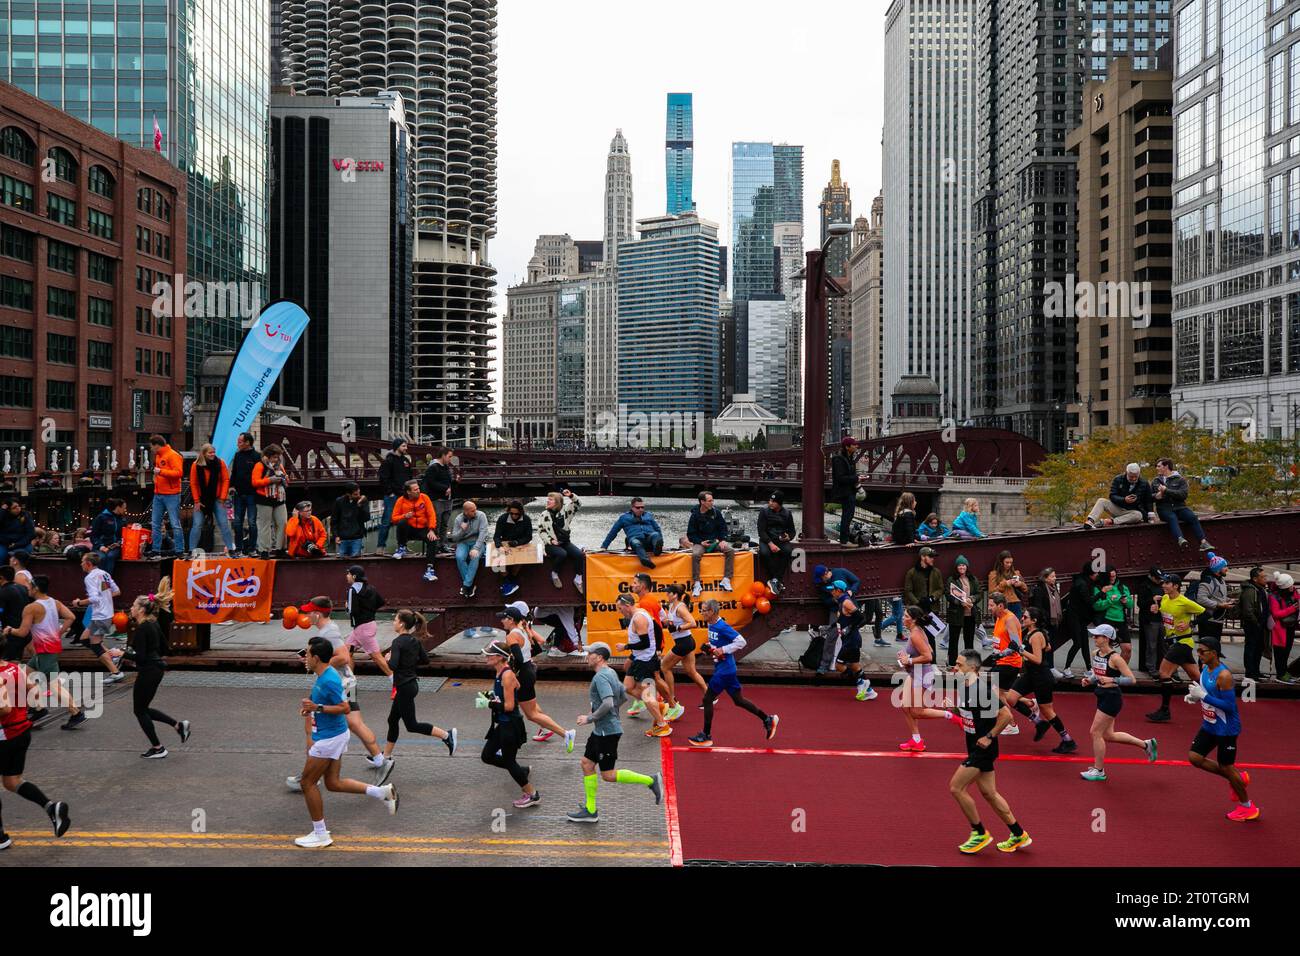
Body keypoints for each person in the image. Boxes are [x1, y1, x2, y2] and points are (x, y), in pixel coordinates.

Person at [293, 636, 399, 848]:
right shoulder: (324, 675)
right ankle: (382, 792)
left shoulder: (329, 679)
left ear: (316, 658)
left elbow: (345, 708)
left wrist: (317, 708)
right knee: (333, 783)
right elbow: (325, 700)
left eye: (307, 654)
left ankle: (321, 834)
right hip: (334, 735)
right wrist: (311, 706)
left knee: (307, 783)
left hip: (329, 739)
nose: (305, 658)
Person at [286, 598, 390, 790]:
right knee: (355, 724)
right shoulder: (328, 630)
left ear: (317, 614)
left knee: (311, 724)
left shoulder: (329, 632)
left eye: (309, 612)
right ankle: (380, 760)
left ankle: (310, 776)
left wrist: (319, 664)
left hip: (338, 685)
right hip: (346, 682)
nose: (307, 616)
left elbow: (343, 657)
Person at [566, 642, 663, 823]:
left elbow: (609, 702)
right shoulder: (610, 672)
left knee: (608, 775)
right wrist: (606, 714)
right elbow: (623, 696)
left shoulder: (600, 677)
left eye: (590, 653)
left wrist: (590, 718)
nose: (587, 656)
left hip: (607, 733)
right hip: (601, 731)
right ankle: (590, 810)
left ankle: (651, 781)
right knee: (586, 763)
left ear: (599, 657)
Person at [947, 653, 1031, 854]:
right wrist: (954, 710)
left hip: (982, 749)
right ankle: (1019, 834)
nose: (955, 668)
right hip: (975, 747)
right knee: (990, 794)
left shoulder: (980, 690)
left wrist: (989, 736)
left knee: (956, 788)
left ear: (972, 668)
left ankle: (979, 833)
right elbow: (970, 713)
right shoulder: (964, 686)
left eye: (959, 665)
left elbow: (1006, 715)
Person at [0, 654, 71, 847]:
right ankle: (51, 808)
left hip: (5, 735)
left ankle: (1, 837)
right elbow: (34, 693)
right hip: (21, 731)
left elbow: (4, 709)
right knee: (11, 781)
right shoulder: (14, 668)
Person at [1185, 637, 1257, 821]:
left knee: (1226, 766)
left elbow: (1229, 706)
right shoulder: (1205, 669)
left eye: (1202, 651)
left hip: (1226, 729)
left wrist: (1203, 696)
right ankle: (1236, 778)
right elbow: (1208, 694)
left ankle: (1247, 807)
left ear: (1214, 653)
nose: (1199, 655)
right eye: (1198, 651)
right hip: (1209, 725)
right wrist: (1195, 697)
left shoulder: (1224, 676)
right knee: (1195, 757)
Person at [688, 599, 777, 747]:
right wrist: (710, 648)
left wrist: (723, 650)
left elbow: (741, 642)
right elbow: (718, 644)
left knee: (707, 699)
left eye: (703, 610)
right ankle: (767, 719)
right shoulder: (711, 624)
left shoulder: (722, 626)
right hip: (725, 668)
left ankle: (706, 735)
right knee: (738, 700)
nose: (701, 612)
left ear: (712, 612)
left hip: (725, 671)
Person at [1080, 624, 1157, 781]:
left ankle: (1099, 770)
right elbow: (1097, 673)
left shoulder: (1115, 658)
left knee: (1095, 732)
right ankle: (1146, 744)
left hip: (1112, 697)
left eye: (1097, 636)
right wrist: (1090, 679)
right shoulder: (1095, 653)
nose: (1094, 638)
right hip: (1101, 694)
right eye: (1094, 635)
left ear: (1106, 638)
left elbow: (1131, 680)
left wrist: (1112, 679)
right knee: (1108, 735)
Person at [500, 602, 575, 750]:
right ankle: (545, 728)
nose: (502, 620)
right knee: (530, 707)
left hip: (522, 673)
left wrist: (509, 672)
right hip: (528, 670)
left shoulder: (513, 634)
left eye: (504, 617)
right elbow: (537, 646)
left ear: (512, 619)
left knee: (530, 714)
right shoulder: (524, 629)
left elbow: (518, 659)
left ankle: (566, 734)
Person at [122, 594, 190, 758]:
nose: (131, 608)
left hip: (148, 671)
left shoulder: (142, 628)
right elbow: (165, 647)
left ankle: (158, 748)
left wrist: (122, 653)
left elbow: (141, 657)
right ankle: (178, 726)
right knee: (143, 709)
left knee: (139, 711)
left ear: (141, 610)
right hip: (156, 670)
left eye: (134, 605)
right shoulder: (153, 623)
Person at [383, 609, 456, 761]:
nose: (393, 622)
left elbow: (393, 666)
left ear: (401, 624)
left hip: (404, 687)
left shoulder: (397, 642)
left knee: (412, 725)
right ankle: (386, 756)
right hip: (410, 685)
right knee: (392, 720)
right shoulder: (414, 641)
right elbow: (425, 660)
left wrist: (387, 659)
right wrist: (408, 662)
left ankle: (446, 735)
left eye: (395, 620)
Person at [1005, 607, 1075, 752]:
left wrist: (1021, 651)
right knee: (1011, 698)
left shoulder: (1036, 635)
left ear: (1034, 621)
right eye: (1023, 616)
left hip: (1041, 676)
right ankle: (1038, 722)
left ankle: (1067, 740)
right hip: (1030, 674)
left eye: (1025, 617)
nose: (1022, 619)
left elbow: (1038, 659)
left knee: (1047, 710)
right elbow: (1048, 647)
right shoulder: (1031, 633)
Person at [479, 640, 538, 809]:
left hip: (511, 725)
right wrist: (490, 696)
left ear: (499, 657)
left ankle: (532, 794)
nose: (486, 657)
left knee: (509, 761)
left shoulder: (506, 675)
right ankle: (522, 771)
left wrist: (489, 703)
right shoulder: (501, 672)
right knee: (487, 756)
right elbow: (517, 686)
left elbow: (510, 706)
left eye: (489, 654)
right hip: (503, 724)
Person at [1146, 573, 1206, 722]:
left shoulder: (1184, 602)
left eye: (1167, 583)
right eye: (1163, 583)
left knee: (1163, 673)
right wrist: (1156, 608)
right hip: (1173, 642)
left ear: (1176, 586)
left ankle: (1165, 710)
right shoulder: (1165, 598)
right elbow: (1166, 614)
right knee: (1196, 677)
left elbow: (1206, 613)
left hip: (1182, 642)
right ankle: (1219, 700)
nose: (1163, 585)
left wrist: (1190, 624)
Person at [897, 605, 957, 752]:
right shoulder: (917, 631)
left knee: (917, 711)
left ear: (913, 620)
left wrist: (909, 660)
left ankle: (951, 715)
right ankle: (916, 740)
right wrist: (906, 656)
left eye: (906, 616)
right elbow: (928, 649)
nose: (903, 618)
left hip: (921, 675)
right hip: (915, 672)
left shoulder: (915, 634)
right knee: (905, 706)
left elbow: (929, 656)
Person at [613, 594, 672, 737]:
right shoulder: (639, 613)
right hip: (639, 658)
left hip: (645, 661)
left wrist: (626, 646)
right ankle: (659, 706)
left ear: (627, 605)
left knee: (647, 695)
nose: (620, 612)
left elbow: (645, 643)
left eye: (620, 608)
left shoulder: (639, 618)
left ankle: (662, 725)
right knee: (627, 687)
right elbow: (656, 628)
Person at [70, 552, 124, 685]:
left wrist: (79, 602)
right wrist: (104, 596)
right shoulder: (104, 574)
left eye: (82, 561)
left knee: (95, 645)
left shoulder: (90, 577)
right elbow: (116, 591)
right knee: (84, 639)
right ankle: (113, 655)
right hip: (106, 613)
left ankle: (115, 672)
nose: (81, 564)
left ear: (88, 563)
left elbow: (94, 598)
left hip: (100, 615)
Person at [659, 582, 708, 701]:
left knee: (665, 667)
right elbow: (672, 621)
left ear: (675, 595)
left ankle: (671, 699)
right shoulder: (672, 606)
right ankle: (709, 695)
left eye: (668, 593)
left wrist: (678, 628)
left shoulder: (680, 608)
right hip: (686, 642)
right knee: (691, 672)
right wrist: (666, 622)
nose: (666, 594)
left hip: (684, 643)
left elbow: (693, 623)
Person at [681, 491, 735, 598]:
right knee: (695, 555)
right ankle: (697, 583)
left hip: (715, 542)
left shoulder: (716, 513)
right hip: (700, 543)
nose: (712, 503)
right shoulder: (694, 515)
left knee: (730, 550)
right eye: (709, 501)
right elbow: (691, 534)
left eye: (712, 500)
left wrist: (723, 539)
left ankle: (726, 579)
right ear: (702, 502)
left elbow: (723, 528)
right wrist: (700, 542)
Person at [1152, 457, 1214, 550]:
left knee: (1192, 517)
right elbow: (1152, 496)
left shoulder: (1180, 479)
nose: (1157, 468)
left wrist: (1166, 491)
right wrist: (1157, 496)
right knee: (1172, 517)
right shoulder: (1156, 481)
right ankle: (1180, 539)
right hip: (1164, 509)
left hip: (1180, 507)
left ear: (1166, 467)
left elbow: (1183, 495)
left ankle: (1203, 542)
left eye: (1159, 466)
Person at [830, 581, 875, 701]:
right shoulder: (841, 601)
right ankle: (869, 691)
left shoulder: (846, 602)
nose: (831, 592)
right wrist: (834, 625)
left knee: (839, 665)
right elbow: (845, 618)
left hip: (851, 640)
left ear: (839, 590)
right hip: (850, 639)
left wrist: (849, 628)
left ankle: (861, 683)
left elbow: (860, 617)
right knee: (855, 666)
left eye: (833, 590)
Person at [343, 565, 391, 678]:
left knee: (376, 656)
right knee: (346, 652)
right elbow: (381, 602)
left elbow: (351, 611)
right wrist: (369, 610)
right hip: (368, 625)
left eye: (348, 574)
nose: (347, 576)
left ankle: (394, 679)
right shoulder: (371, 588)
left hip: (362, 628)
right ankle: (349, 680)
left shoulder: (352, 589)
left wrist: (347, 606)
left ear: (354, 576)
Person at [188, 444, 234, 555]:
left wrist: (222, 497)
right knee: (197, 525)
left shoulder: (220, 463)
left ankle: (231, 549)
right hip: (201, 500)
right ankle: (191, 550)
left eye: (214, 452)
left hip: (217, 499)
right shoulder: (195, 465)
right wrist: (197, 501)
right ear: (204, 454)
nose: (213, 454)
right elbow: (193, 484)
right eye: (210, 453)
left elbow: (226, 480)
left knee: (224, 524)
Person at [986, 593, 1022, 735]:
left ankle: (1009, 722)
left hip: (1009, 663)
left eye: (991, 605)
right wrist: (987, 641)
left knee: (989, 689)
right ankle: (1028, 706)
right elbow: (1001, 639)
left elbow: (1016, 645)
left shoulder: (1010, 619)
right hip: (1000, 661)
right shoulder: (999, 617)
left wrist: (1000, 654)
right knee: (1000, 693)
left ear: (1000, 605)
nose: (989, 608)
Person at [537, 489, 583, 590]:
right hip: (550, 545)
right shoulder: (544, 514)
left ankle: (578, 579)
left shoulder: (566, 511)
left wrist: (571, 495)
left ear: (557, 502)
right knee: (562, 554)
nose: (548, 501)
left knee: (579, 554)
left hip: (564, 542)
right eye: (548, 499)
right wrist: (550, 540)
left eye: (551, 499)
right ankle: (554, 574)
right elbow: (541, 531)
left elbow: (578, 504)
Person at [903, 546, 945, 658]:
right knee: (918, 635)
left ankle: (932, 661)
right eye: (930, 557)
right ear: (922, 557)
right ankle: (918, 660)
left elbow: (941, 589)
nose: (932, 559)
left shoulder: (936, 572)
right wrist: (917, 603)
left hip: (932, 609)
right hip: (918, 611)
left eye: (933, 557)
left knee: (931, 636)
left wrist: (932, 598)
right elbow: (908, 590)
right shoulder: (912, 572)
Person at [599, 497, 664, 569]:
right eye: (638, 508)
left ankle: (657, 550)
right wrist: (604, 546)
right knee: (636, 542)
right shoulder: (624, 518)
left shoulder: (648, 515)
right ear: (632, 507)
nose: (641, 509)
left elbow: (657, 528)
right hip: (636, 539)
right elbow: (613, 532)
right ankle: (645, 560)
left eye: (642, 507)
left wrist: (662, 543)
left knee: (656, 534)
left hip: (649, 539)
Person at [146, 434, 184, 558]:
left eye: (151, 446)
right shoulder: (159, 456)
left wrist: (160, 472)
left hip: (171, 495)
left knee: (175, 524)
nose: (151, 449)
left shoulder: (173, 455)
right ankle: (156, 550)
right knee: (155, 523)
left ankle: (179, 550)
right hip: (158, 494)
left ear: (157, 445)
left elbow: (179, 473)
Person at [1060, 562, 1100, 677]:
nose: (1097, 574)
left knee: (1085, 643)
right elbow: (1088, 601)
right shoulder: (1082, 584)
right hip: (1074, 617)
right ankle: (1066, 668)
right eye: (1095, 573)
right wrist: (1102, 593)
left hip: (1080, 617)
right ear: (1090, 574)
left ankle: (1089, 669)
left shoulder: (1083, 581)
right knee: (1078, 643)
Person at [1084, 463, 1153, 528]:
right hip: (1117, 508)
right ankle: (1090, 521)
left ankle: (1110, 521)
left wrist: (1150, 515)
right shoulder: (1118, 479)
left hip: (1132, 512)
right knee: (1101, 501)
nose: (1134, 479)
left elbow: (1149, 500)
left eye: (1136, 477)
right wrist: (1124, 500)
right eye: (1131, 477)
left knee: (1138, 515)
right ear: (1126, 473)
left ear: (1139, 474)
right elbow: (1112, 496)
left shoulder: (1144, 483)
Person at [375, 439, 413, 556]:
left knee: (404, 522)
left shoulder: (406, 461)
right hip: (392, 496)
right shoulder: (388, 461)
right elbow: (383, 478)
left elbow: (409, 477)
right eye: (403, 446)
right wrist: (390, 492)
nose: (406, 448)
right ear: (397, 447)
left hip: (404, 496)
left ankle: (402, 546)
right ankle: (380, 547)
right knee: (386, 521)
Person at [251, 444, 289, 558]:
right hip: (264, 498)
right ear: (267, 456)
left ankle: (280, 549)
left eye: (278, 457)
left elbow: (286, 479)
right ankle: (264, 550)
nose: (276, 459)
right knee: (265, 525)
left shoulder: (279, 466)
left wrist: (285, 479)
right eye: (274, 457)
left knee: (282, 523)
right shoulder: (259, 465)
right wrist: (270, 480)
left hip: (279, 498)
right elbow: (255, 482)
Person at [756, 491, 796, 594]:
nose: (770, 503)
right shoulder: (764, 512)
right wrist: (770, 544)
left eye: (773, 501)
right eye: (770, 500)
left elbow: (792, 531)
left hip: (781, 540)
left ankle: (775, 579)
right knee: (765, 553)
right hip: (766, 539)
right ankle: (776, 579)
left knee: (788, 551)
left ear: (779, 503)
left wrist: (788, 537)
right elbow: (761, 531)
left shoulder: (787, 513)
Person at [945, 556, 982, 667]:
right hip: (956, 614)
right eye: (959, 565)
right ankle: (952, 663)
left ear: (967, 566)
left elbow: (979, 593)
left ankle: (969, 663)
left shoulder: (973, 579)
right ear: (956, 567)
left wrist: (972, 599)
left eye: (963, 565)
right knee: (953, 640)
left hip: (970, 614)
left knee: (969, 640)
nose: (961, 567)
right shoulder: (952, 579)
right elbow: (948, 595)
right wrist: (959, 602)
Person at [448, 500, 489, 598]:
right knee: (459, 557)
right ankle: (470, 584)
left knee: (475, 556)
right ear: (466, 512)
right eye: (472, 511)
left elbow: (483, 533)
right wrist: (462, 530)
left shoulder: (481, 515)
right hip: (463, 542)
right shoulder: (458, 519)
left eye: (475, 509)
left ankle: (466, 585)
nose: (475, 512)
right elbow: (454, 538)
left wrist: (476, 548)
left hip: (477, 542)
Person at [229, 431, 261, 556]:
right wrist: (231, 486)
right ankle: (239, 549)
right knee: (237, 523)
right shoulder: (238, 455)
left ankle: (252, 549)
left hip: (252, 494)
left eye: (240, 442)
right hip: (238, 494)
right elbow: (234, 472)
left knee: (252, 522)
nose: (238, 444)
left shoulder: (257, 456)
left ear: (248, 443)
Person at [390, 480, 438, 563]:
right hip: (409, 530)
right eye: (415, 490)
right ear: (408, 492)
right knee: (402, 522)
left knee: (432, 539)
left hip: (423, 528)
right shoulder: (400, 500)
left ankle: (430, 566)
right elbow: (393, 518)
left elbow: (431, 515)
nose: (418, 491)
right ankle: (402, 548)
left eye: (418, 488)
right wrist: (405, 516)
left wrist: (431, 530)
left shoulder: (424, 497)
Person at [492, 500, 532, 598]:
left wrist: (517, 542)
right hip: (505, 544)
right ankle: (508, 580)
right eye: (511, 513)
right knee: (497, 563)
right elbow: (496, 536)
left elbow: (528, 537)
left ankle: (511, 579)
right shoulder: (502, 518)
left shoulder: (526, 519)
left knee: (520, 559)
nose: (514, 516)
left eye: (516, 514)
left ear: (521, 512)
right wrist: (499, 546)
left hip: (519, 545)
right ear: (509, 511)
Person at [1093, 568, 1133, 661]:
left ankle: (1120, 669)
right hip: (1106, 619)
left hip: (1121, 620)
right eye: (1110, 576)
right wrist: (1110, 601)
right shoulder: (1099, 588)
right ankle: (1106, 668)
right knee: (1106, 649)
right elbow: (1096, 606)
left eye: (1114, 576)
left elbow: (1130, 604)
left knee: (1127, 648)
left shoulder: (1122, 587)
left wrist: (1126, 601)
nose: (1112, 578)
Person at [1238, 566, 1269, 683]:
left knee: (1258, 648)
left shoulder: (1260, 589)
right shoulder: (1250, 591)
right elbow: (1248, 611)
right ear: (1255, 579)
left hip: (1260, 624)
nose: (1266, 579)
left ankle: (1256, 671)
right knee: (1251, 648)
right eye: (1263, 577)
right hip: (1252, 624)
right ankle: (1250, 673)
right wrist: (1256, 623)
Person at [421, 446, 456, 550]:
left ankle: (442, 544)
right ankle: (434, 545)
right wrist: (444, 488)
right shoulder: (433, 467)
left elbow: (448, 480)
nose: (450, 459)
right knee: (436, 523)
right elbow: (430, 482)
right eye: (449, 457)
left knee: (445, 524)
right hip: (437, 500)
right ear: (443, 455)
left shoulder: (446, 467)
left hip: (447, 499)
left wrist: (454, 483)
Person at [1029, 567, 1062, 671]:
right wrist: (1046, 617)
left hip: (1054, 622)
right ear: (1045, 578)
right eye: (1052, 576)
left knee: (1052, 644)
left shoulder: (1053, 589)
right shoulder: (1040, 590)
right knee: (1046, 645)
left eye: (1055, 576)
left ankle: (1050, 666)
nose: (1055, 578)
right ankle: (1048, 667)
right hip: (1045, 623)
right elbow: (1038, 606)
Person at [1194, 552, 1233, 641]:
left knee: (1215, 645)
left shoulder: (1220, 580)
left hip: (1217, 619)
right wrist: (1219, 605)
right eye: (1224, 566)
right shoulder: (1208, 581)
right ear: (1217, 569)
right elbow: (1201, 598)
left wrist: (1229, 600)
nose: (1227, 569)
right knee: (1207, 645)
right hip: (1208, 621)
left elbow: (1218, 596)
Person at [1267, 573, 1298, 682]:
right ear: (1284, 587)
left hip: (1290, 626)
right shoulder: (1274, 597)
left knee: (1287, 650)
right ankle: (1281, 674)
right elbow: (1276, 614)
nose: (1293, 587)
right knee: (1280, 652)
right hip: (1280, 629)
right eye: (1290, 585)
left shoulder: (1293, 592)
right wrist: (1293, 608)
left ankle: (1284, 672)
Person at [830, 436, 861, 544]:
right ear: (847, 447)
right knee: (847, 516)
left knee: (849, 515)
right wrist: (856, 478)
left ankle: (845, 539)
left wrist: (858, 478)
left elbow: (850, 475)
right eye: (854, 444)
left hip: (850, 491)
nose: (856, 446)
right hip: (844, 492)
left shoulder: (850, 458)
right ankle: (844, 540)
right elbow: (840, 478)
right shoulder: (838, 459)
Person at [1136, 567, 1166, 677]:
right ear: (1151, 577)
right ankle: (1151, 668)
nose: (1159, 580)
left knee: (1163, 645)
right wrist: (1152, 600)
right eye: (1157, 578)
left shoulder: (1162, 585)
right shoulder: (1144, 586)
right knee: (1151, 645)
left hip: (1162, 617)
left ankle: (1162, 667)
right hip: (1150, 619)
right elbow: (1140, 603)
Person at [330, 482, 369, 558]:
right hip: (342, 538)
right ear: (348, 494)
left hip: (357, 538)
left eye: (359, 493)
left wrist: (360, 506)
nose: (358, 495)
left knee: (356, 561)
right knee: (342, 561)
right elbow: (334, 520)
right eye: (355, 494)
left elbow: (366, 518)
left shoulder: (362, 500)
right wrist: (336, 535)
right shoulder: (339, 502)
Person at [89, 498, 126, 576]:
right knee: (101, 557)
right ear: (118, 507)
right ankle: (100, 579)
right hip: (100, 546)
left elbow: (123, 536)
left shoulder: (122, 520)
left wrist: (119, 543)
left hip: (114, 547)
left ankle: (107, 579)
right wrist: (101, 546)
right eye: (124, 508)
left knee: (110, 556)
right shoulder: (101, 517)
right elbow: (93, 535)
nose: (125, 510)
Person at [988, 551, 1029, 619]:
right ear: (1001, 562)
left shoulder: (1015, 573)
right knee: (1004, 623)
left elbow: (1026, 589)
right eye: (1007, 562)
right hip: (1003, 604)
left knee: (1017, 623)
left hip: (1016, 602)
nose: (1009, 565)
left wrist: (1020, 584)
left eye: (1011, 562)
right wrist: (1005, 584)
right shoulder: (994, 574)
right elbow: (992, 592)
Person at [0, 567, 28, 662]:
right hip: (24, 631)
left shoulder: (3, 592)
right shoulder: (23, 589)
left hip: (10, 633)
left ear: (1, 578)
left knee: (8, 662)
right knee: (18, 659)